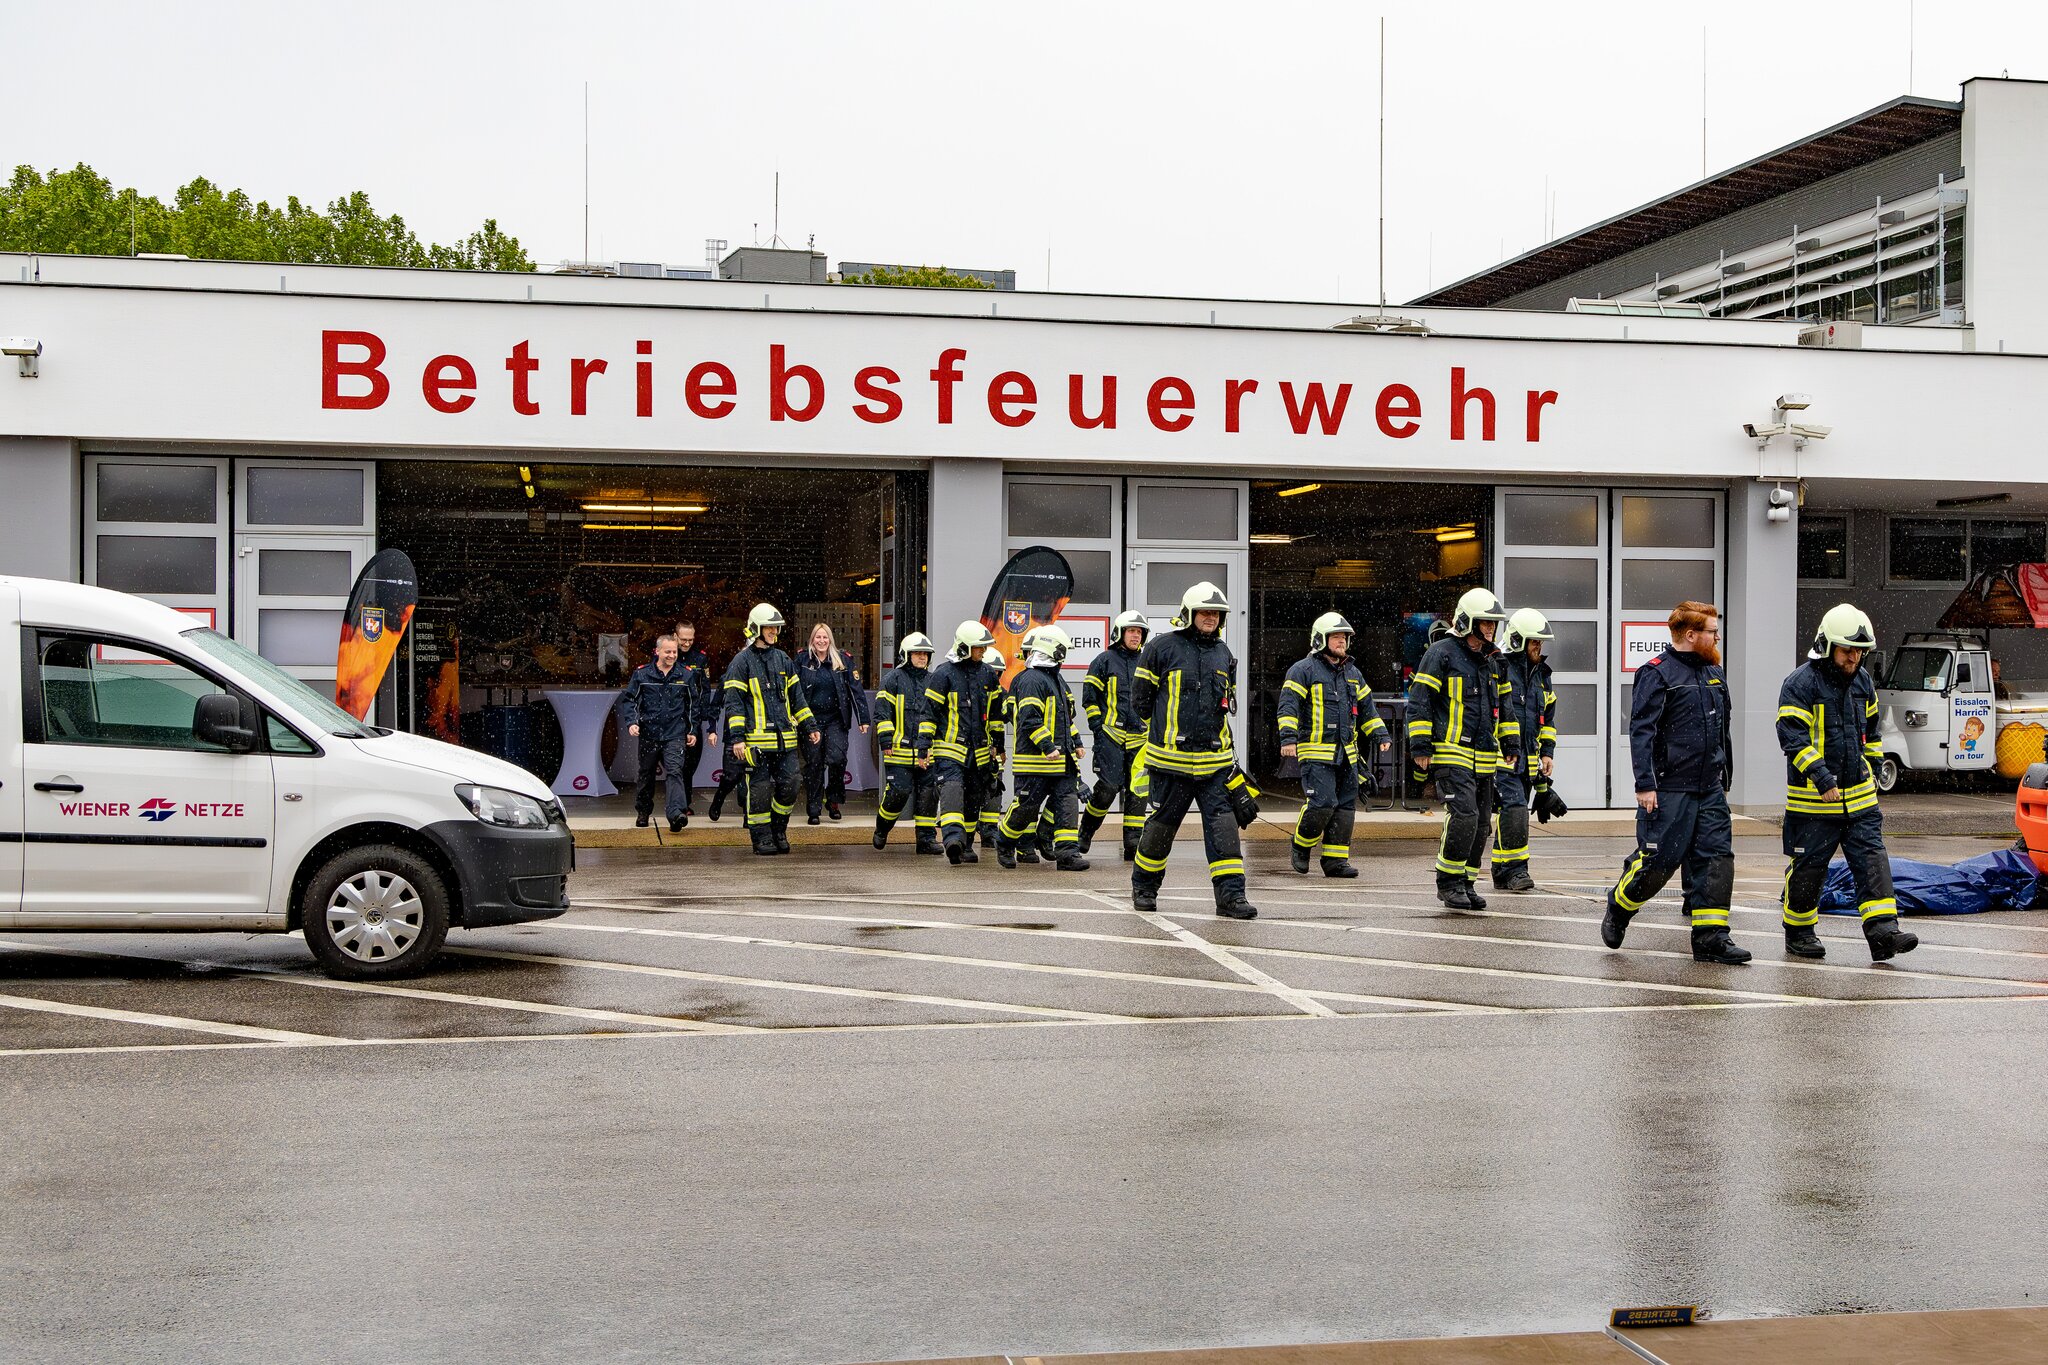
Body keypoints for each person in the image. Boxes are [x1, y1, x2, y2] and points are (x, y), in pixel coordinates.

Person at [1600, 600, 1748, 963]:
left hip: (1709, 788)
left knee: (1715, 860)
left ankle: (1711, 937)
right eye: (1712, 631)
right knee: (1658, 863)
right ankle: (1619, 906)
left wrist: (1724, 772)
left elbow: (1722, 728)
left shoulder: (1715, 672)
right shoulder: (1657, 673)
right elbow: (1642, 731)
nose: (1717, 636)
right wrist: (1644, 783)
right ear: (1691, 634)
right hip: (1669, 788)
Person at [1776, 604, 1920, 962]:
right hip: (1813, 802)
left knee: (1873, 863)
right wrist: (1822, 778)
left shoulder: (1863, 682)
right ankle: (1798, 931)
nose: (1854, 657)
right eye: (1847, 650)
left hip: (1860, 799)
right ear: (1826, 646)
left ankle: (1884, 933)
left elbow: (1871, 733)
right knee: (1809, 871)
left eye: (1859, 651)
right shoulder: (1800, 684)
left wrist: (1870, 767)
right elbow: (1792, 737)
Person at [1130, 582, 1256, 920]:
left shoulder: (1223, 654)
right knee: (1160, 829)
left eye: (1216, 613)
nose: (1211, 617)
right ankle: (1144, 888)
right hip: (1169, 765)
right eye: (1205, 612)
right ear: (1188, 614)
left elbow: (1223, 709)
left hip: (1214, 765)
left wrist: (1234, 768)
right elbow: (1140, 701)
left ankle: (1232, 898)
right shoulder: (1160, 648)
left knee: (1224, 831)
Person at [1407, 588, 1516, 910]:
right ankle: (1449, 882)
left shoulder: (1496, 660)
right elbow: (1420, 702)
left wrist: (1511, 743)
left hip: (1484, 755)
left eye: (1493, 624)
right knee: (1464, 816)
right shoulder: (1441, 653)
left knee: (1482, 822)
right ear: (1468, 621)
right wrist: (1420, 747)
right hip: (1451, 751)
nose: (1490, 629)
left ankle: (1466, 882)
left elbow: (1505, 706)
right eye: (1485, 623)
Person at [1279, 611, 1388, 879]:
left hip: (1347, 756)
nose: (1342, 642)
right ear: (1320, 639)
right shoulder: (1302, 670)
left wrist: (1380, 735)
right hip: (1316, 754)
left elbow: (1367, 709)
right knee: (1322, 804)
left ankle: (1335, 861)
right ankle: (1301, 845)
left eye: (1344, 637)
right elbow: (1288, 706)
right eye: (1336, 637)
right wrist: (1288, 738)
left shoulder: (1353, 673)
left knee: (1344, 808)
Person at [718, 603, 817, 856]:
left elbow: (797, 698)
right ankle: (761, 837)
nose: (774, 631)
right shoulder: (741, 662)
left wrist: (810, 725)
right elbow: (734, 704)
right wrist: (738, 739)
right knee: (759, 790)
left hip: (785, 740)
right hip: (755, 743)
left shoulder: (783, 658)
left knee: (792, 783)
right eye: (769, 627)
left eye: (776, 627)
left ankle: (778, 828)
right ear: (755, 629)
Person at [996, 625, 1089, 871]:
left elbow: (1064, 720)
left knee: (1067, 804)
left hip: (1061, 760)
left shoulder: (1056, 679)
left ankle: (1067, 854)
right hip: (1036, 760)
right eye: (1061, 651)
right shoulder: (1030, 680)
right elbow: (1029, 718)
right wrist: (1047, 746)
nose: (1064, 656)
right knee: (1025, 808)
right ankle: (1004, 842)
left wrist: (1076, 743)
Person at [1489, 608, 1558, 893]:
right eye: (1534, 642)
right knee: (1515, 809)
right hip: (1502, 759)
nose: (1538, 647)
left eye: (1541, 643)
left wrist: (1547, 753)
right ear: (1518, 640)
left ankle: (1500, 870)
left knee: (1512, 814)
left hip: (1529, 763)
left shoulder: (1542, 676)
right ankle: (1517, 871)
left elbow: (1549, 719)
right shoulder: (1500, 668)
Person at [925, 620, 1001, 864]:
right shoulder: (943, 674)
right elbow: (929, 713)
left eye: (984, 647)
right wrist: (923, 746)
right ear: (964, 647)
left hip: (979, 752)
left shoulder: (988, 674)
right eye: (978, 647)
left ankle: (966, 845)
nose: (983, 651)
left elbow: (997, 714)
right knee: (953, 792)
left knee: (973, 798)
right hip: (950, 750)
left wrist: (997, 746)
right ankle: (953, 840)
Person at [1080, 610, 1150, 861]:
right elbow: (1089, 697)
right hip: (1110, 735)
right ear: (1119, 633)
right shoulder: (1104, 660)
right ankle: (1086, 832)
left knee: (1137, 792)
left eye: (1140, 632)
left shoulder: (1147, 660)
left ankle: (1133, 843)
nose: (1136, 635)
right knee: (1107, 788)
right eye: (1132, 631)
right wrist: (1098, 728)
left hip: (1141, 739)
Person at [795, 623, 872, 824]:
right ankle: (813, 808)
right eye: (818, 637)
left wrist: (863, 718)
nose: (821, 641)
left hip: (836, 721)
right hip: (810, 722)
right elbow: (793, 691)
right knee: (814, 764)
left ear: (830, 640)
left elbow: (856, 691)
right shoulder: (802, 660)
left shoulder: (843, 660)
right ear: (812, 640)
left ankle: (834, 799)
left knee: (837, 759)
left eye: (825, 637)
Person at [621, 633, 697, 833]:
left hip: (675, 734)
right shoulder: (642, 674)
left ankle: (676, 814)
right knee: (646, 774)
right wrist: (632, 722)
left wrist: (692, 730)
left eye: (674, 651)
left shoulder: (686, 674)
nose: (672, 655)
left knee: (675, 772)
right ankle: (643, 811)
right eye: (668, 652)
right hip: (649, 734)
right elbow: (629, 699)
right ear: (657, 652)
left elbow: (692, 705)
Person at [872, 631, 940, 854]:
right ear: (906, 655)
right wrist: (885, 741)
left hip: (926, 752)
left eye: (925, 654)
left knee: (928, 796)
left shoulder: (934, 681)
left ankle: (926, 841)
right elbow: (882, 714)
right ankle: (882, 828)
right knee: (898, 792)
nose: (922, 657)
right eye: (917, 653)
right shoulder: (893, 680)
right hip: (899, 751)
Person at [672, 621, 715, 816]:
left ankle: (684, 802)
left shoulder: (700, 658)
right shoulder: (667, 655)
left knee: (689, 764)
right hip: (671, 718)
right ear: (675, 637)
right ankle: (677, 804)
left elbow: (705, 689)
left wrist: (703, 715)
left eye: (690, 639)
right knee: (674, 764)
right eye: (683, 640)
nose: (687, 643)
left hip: (692, 719)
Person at [979, 645, 1008, 851]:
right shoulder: (969, 690)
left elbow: (1000, 722)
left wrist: (1000, 748)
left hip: (993, 750)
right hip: (972, 750)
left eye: (998, 673)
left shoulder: (1001, 694)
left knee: (994, 790)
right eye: (992, 671)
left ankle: (989, 830)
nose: (994, 677)